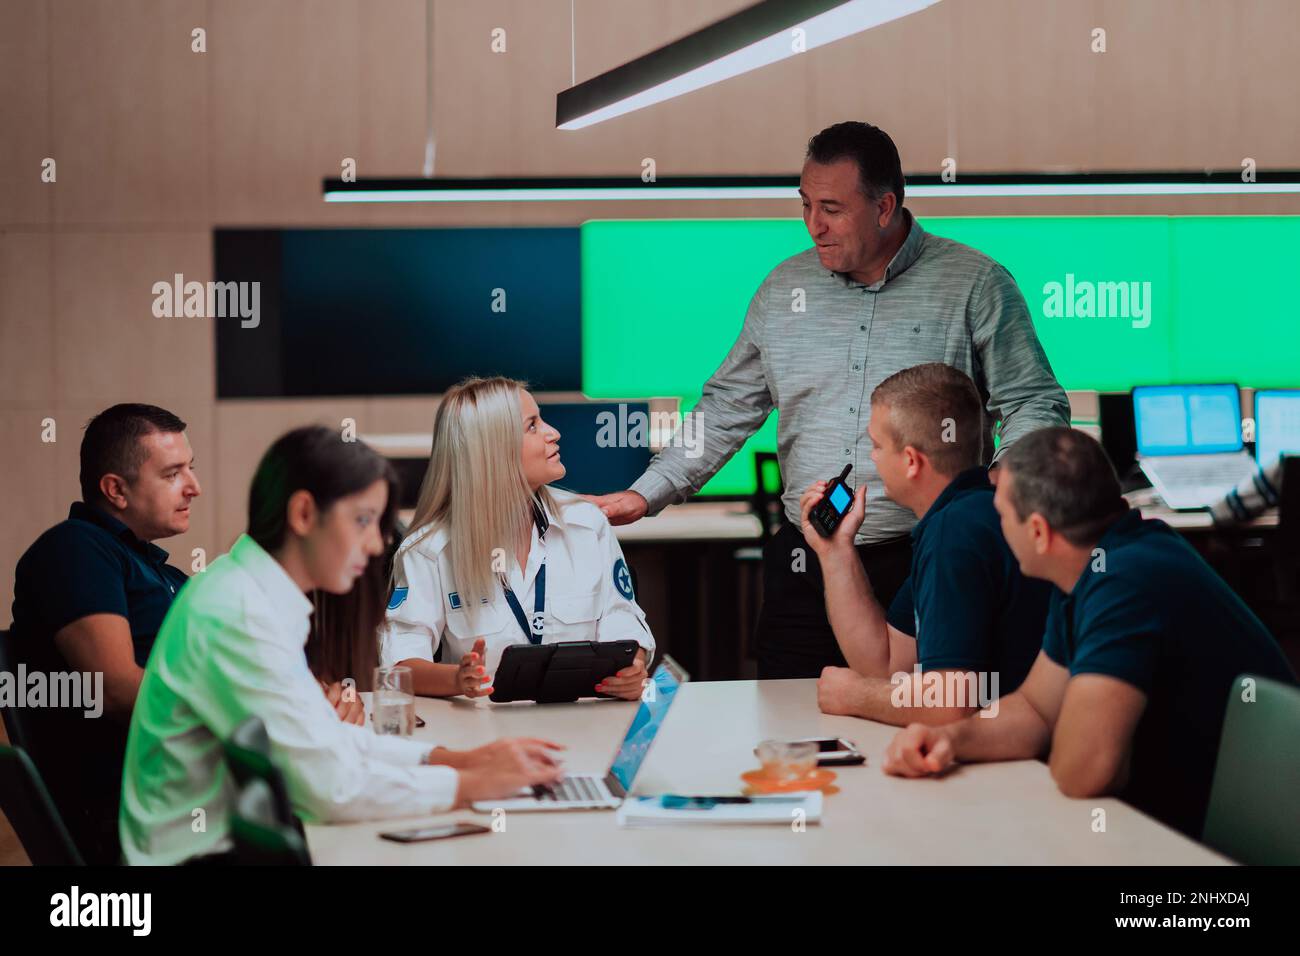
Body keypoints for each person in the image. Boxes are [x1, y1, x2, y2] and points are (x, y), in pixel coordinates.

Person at [585, 121, 1068, 678]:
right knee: (793, 725)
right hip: (806, 561)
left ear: (884, 206)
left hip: (928, 559)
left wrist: (993, 491)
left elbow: (1034, 404)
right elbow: (724, 408)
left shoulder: (975, 284)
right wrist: (646, 493)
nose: (814, 225)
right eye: (806, 204)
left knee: (923, 728)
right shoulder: (782, 289)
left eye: (833, 208)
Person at [119, 426, 563, 865]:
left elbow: (331, 743)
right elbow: (332, 787)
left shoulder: (249, 590)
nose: (374, 546)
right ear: (305, 514)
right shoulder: (239, 614)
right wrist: (470, 785)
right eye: (363, 521)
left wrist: (461, 760)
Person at [882, 427, 1296, 838]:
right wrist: (948, 740)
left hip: (1219, 846)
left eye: (1002, 514)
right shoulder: (1101, 563)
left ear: (1039, 532)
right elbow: (1034, 711)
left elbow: (1085, 772)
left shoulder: (1124, 581)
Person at [801, 364, 1052, 725]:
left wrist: (853, 695)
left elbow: (952, 705)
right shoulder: (963, 514)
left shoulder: (956, 531)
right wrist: (835, 550)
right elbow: (887, 665)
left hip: (1020, 767)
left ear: (911, 461)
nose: (871, 457)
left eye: (876, 445)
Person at [382, 377, 655, 700]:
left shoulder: (587, 523)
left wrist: (633, 665)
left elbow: (620, 615)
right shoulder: (428, 550)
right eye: (532, 426)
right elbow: (399, 666)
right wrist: (457, 679)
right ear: (492, 449)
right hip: (483, 732)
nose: (554, 433)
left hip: (585, 718)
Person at [9, 404, 200, 864]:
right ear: (115, 489)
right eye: (173, 473)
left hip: (188, 787)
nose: (195, 487)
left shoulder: (169, 574)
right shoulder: (75, 548)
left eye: (190, 469)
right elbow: (115, 691)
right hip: (139, 811)